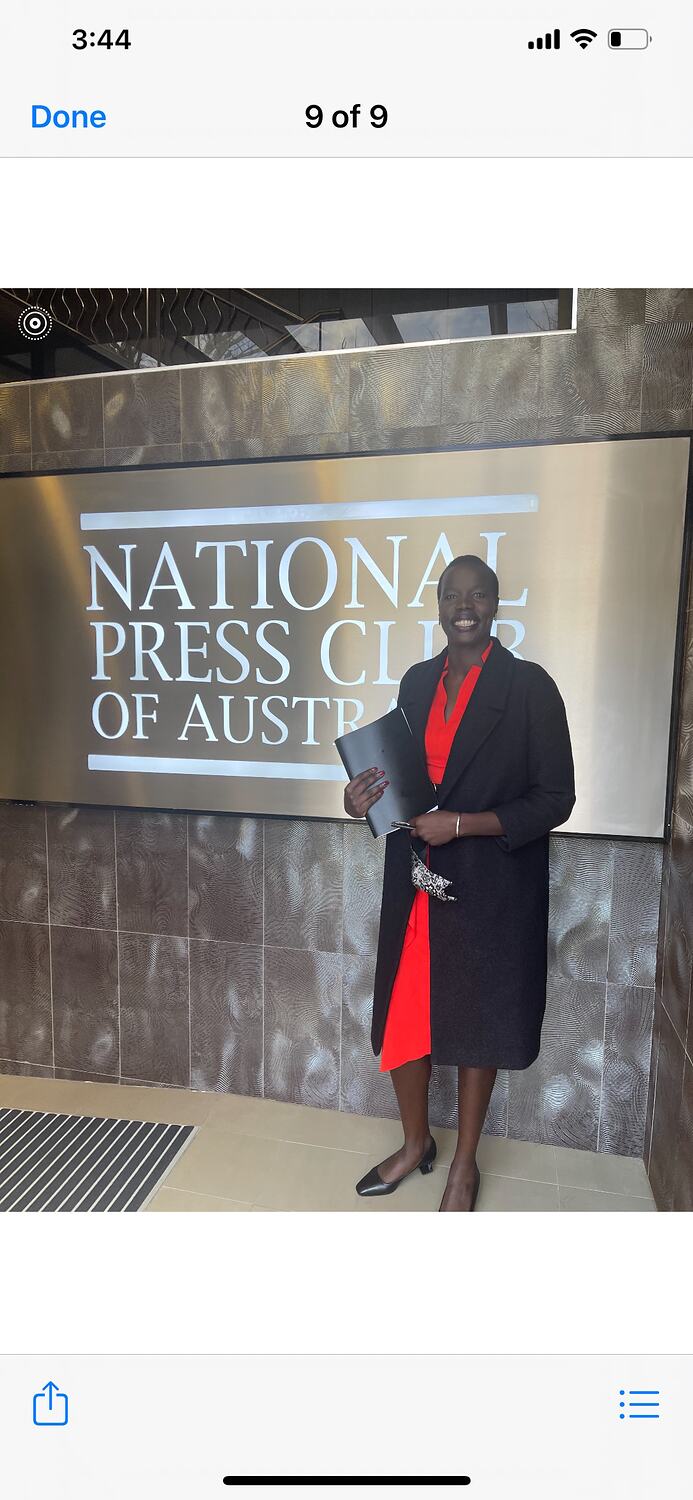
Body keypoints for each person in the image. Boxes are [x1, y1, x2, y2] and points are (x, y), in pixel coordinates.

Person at [343, 554, 575, 1211]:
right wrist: (360, 800)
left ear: (495, 604)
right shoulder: (417, 681)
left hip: (490, 885)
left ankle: (464, 1164)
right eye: (451, 595)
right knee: (404, 1013)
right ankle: (415, 1142)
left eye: (476, 595)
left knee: (479, 1019)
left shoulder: (530, 687)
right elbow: (401, 779)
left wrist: (463, 824)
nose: (463, 606)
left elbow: (555, 799)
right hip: (415, 878)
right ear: (439, 605)